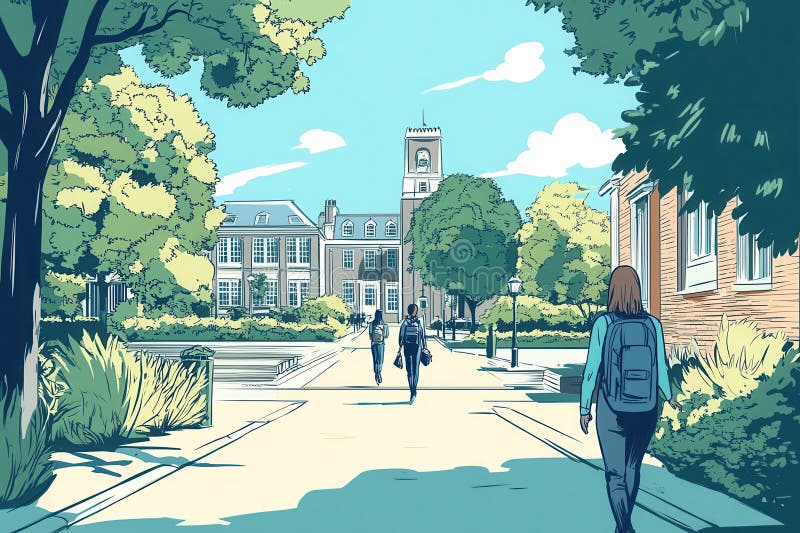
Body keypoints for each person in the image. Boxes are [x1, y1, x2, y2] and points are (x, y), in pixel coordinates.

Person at [579, 265, 681, 533]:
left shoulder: (604, 323)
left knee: (614, 473)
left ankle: (624, 528)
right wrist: (669, 397)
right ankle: (624, 526)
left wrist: (584, 407)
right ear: (637, 289)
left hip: (611, 408)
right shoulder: (652, 324)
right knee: (633, 467)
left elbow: (592, 369)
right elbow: (660, 365)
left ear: (612, 290)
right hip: (646, 407)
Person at [398, 303, 427, 405]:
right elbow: (423, 336)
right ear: (416, 311)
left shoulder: (405, 322)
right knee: (416, 370)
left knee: (409, 371)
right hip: (417, 347)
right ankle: (414, 390)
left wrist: (400, 347)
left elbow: (401, 336)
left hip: (407, 347)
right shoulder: (419, 322)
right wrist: (425, 348)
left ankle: (412, 390)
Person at [369, 309, 389, 385]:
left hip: (373, 344)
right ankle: (379, 372)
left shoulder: (371, 324)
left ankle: (376, 373)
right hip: (381, 344)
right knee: (380, 360)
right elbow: (386, 336)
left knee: (375, 359)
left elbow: (370, 335)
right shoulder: (383, 324)